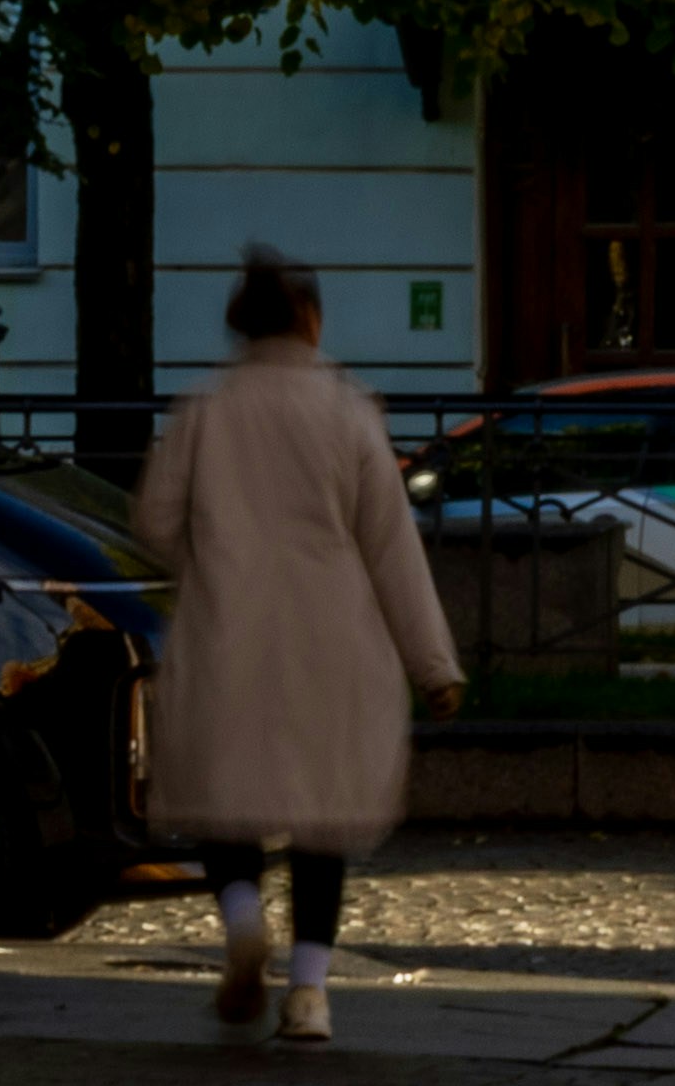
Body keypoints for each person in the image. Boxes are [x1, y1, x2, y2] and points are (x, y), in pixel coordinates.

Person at [132, 245, 460, 1042]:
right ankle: (310, 993)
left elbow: (152, 521)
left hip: (228, 635)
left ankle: (243, 919)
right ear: (311, 321)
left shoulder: (206, 412)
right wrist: (434, 666)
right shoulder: (350, 412)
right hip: (332, 642)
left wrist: (211, 561)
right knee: (321, 822)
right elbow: (392, 549)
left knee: (226, 802)